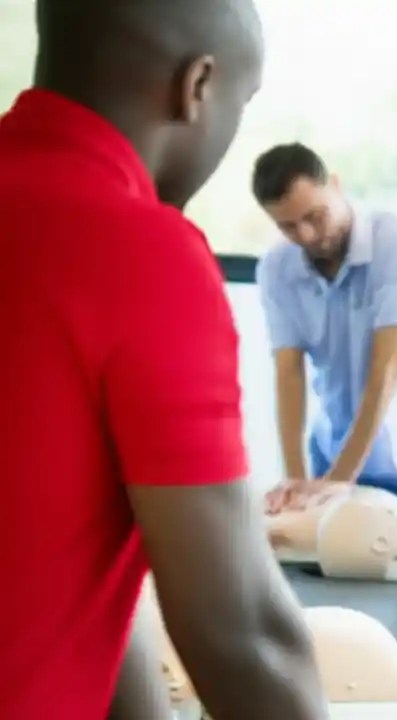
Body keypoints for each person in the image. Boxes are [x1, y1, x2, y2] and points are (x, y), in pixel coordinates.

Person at [0, 0, 326, 719]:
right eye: (242, 103)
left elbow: (76, 597)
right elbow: (242, 633)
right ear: (197, 86)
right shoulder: (139, 251)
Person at [253, 142, 397, 515]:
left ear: (335, 185)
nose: (306, 235)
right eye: (287, 226)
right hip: (330, 452)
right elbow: (288, 373)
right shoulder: (276, 267)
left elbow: (387, 367)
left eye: (315, 216)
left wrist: (343, 477)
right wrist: (296, 478)